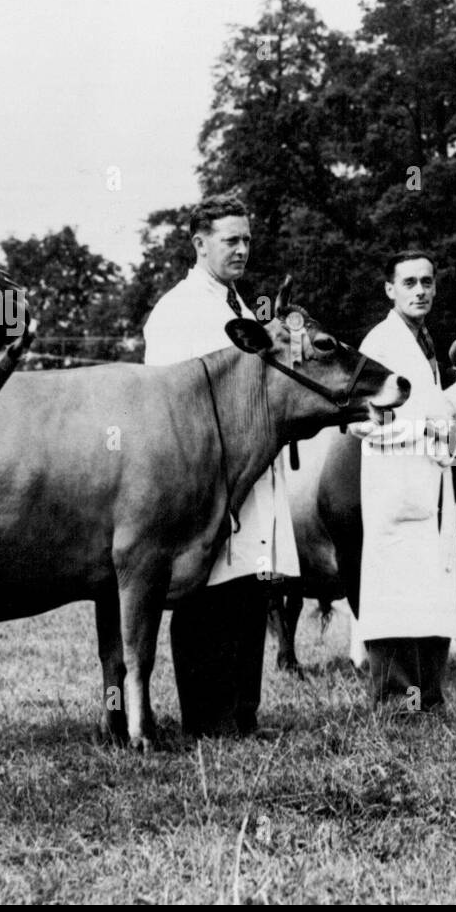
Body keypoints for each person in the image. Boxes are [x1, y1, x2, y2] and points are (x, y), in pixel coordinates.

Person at [143, 192, 298, 737]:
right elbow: (164, 406)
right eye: (230, 240)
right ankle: (207, 720)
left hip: (250, 474)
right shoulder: (177, 310)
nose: (241, 250)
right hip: (203, 481)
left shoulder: (242, 308)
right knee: (206, 596)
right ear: (199, 242)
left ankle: (243, 714)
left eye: (247, 240)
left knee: (248, 594)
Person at [353, 250, 456, 709]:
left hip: (429, 485)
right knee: (394, 591)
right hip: (396, 488)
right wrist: (444, 409)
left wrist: (455, 400)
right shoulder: (381, 344)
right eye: (409, 283)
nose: (420, 291)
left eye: (427, 282)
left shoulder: (425, 342)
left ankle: (429, 695)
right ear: (389, 290)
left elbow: (428, 411)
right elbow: (363, 423)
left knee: (431, 587)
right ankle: (394, 699)